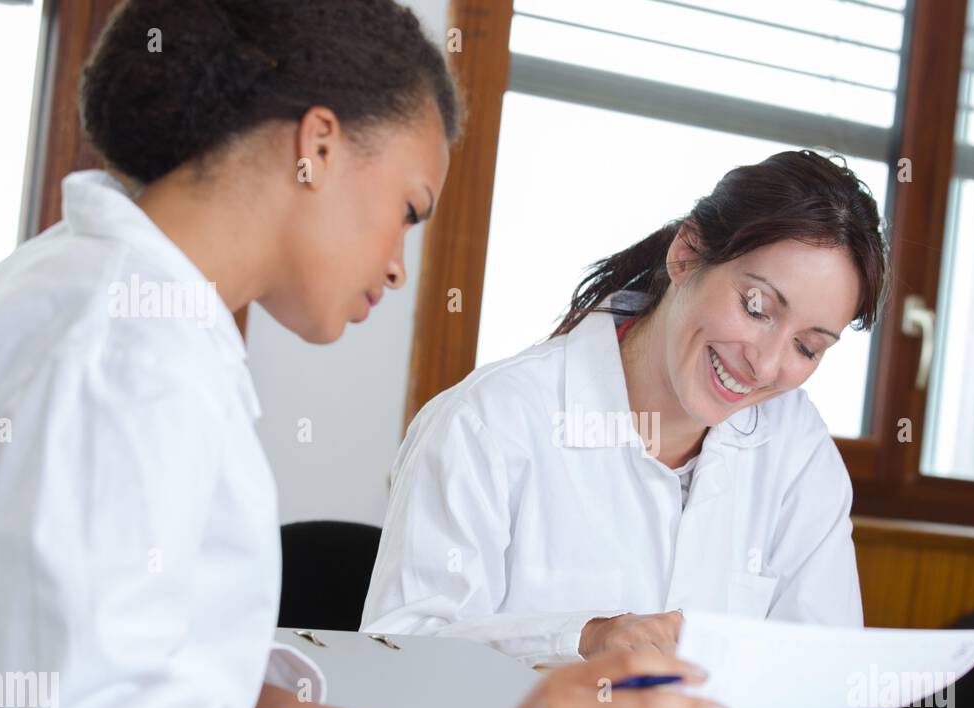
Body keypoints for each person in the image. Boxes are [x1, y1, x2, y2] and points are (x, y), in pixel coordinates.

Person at [0, 0, 725, 708]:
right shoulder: (126, 351)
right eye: (407, 208)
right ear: (317, 145)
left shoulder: (116, 304)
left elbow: (170, 682)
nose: (400, 264)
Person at [362, 151, 887, 665]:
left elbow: (826, 668)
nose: (766, 366)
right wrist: (581, 639)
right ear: (686, 254)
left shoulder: (796, 445)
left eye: (807, 347)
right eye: (756, 308)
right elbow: (399, 654)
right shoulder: (491, 420)